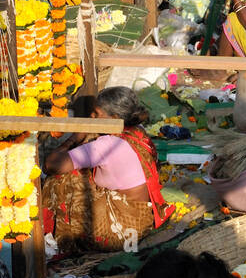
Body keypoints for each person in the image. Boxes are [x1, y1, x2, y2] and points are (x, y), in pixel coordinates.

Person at [43, 86, 173, 252]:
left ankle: (63, 241)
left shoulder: (108, 145)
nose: (91, 116)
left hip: (122, 229)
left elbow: (50, 165)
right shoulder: (137, 132)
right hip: (143, 220)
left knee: (62, 178)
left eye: (96, 114)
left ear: (115, 118)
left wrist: (73, 139)